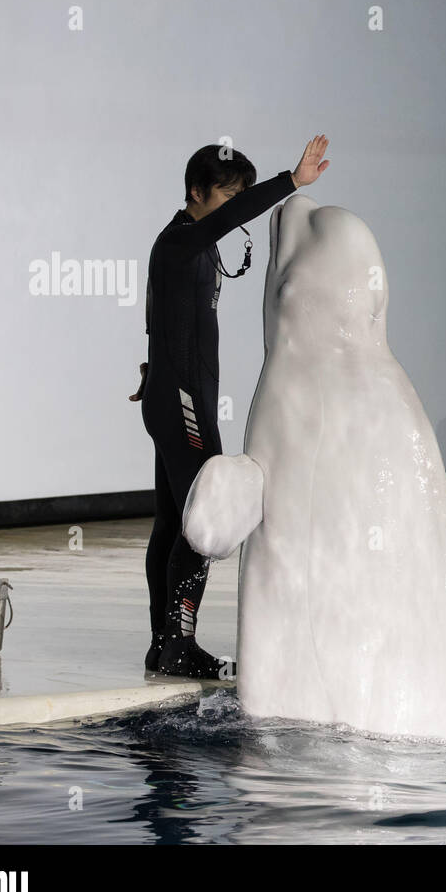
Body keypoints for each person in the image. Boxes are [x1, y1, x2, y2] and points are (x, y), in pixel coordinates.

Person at [128, 136, 331, 677]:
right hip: (182, 404)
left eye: (236, 195)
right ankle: (177, 644)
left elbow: (163, 320)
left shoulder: (187, 245)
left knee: (174, 523)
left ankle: (164, 645)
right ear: (195, 193)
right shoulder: (181, 241)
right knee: (203, 524)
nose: (232, 207)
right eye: (223, 197)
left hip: (174, 398)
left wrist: (153, 370)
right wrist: (292, 180)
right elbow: (233, 218)